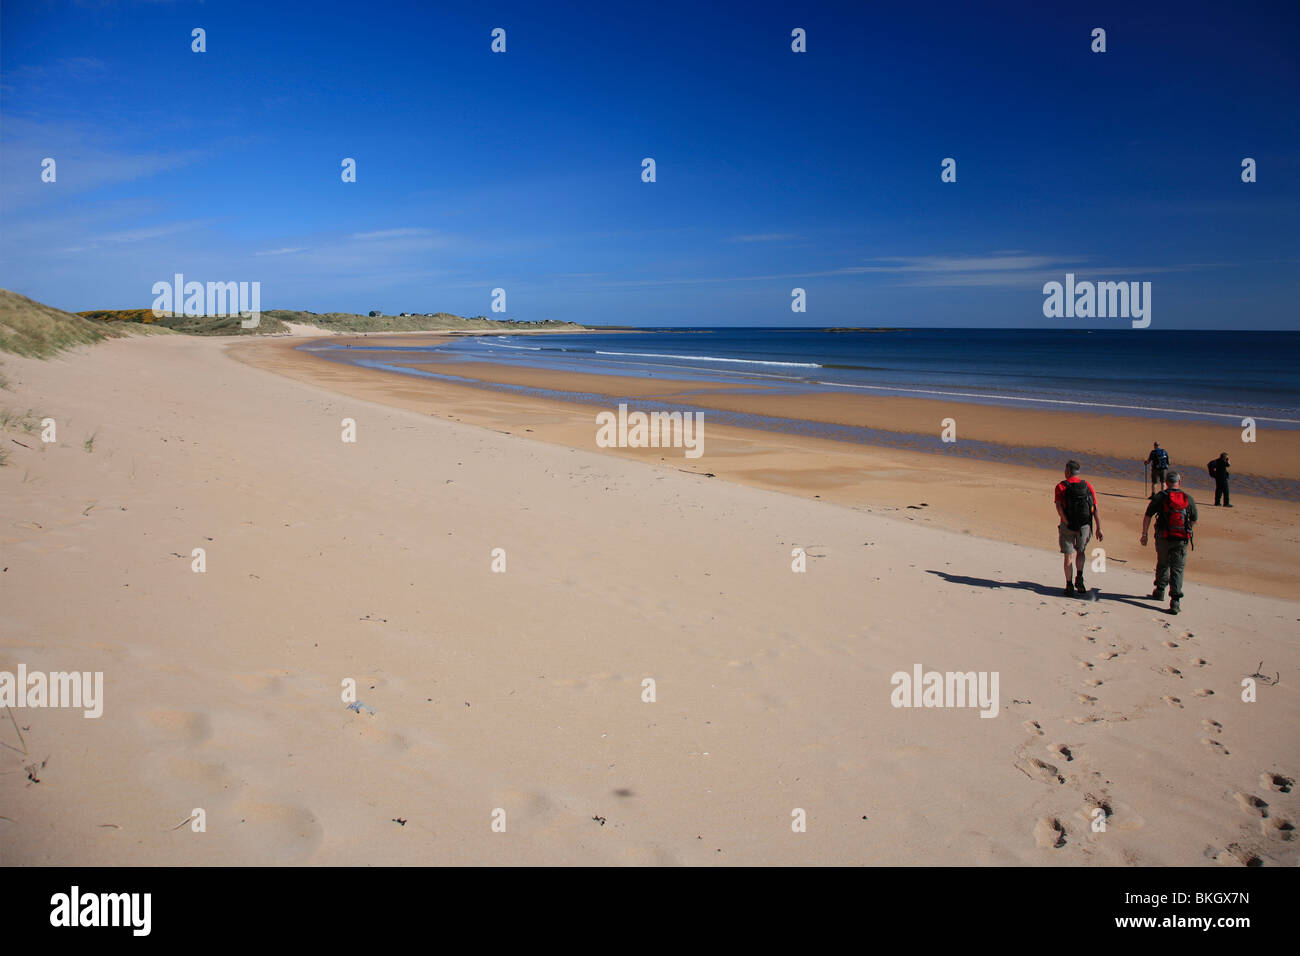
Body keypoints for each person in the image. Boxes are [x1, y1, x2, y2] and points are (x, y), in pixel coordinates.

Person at [1141, 471, 1197, 615]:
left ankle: (1160, 590)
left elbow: (1148, 515)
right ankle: (1175, 601)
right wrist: (1187, 529)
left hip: (1163, 537)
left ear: (1166, 482)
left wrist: (1144, 534)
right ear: (1179, 481)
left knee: (1163, 563)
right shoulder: (1187, 498)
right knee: (1177, 568)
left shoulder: (1161, 497)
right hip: (1181, 538)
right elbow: (1194, 518)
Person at [1054, 460, 1103, 597]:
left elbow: (1058, 507)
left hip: (1068, 525)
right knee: (1080, 551)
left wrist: (1065, 521)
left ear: (1068, 471)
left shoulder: (1061, 486)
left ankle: (1069, 585)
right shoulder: (1087, 485)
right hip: (1084, 525)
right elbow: (1095, 508)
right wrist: (1099, 527)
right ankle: (1079, 578)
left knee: (1068, 556)